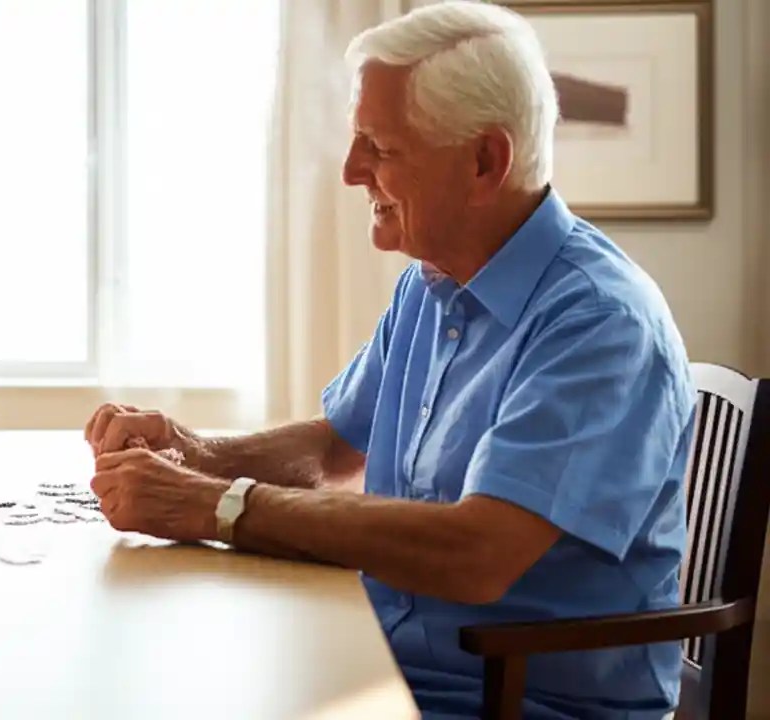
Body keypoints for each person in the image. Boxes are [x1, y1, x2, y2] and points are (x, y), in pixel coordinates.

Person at [85, 2, 694, 718]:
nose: (350, 172)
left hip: (514, 703)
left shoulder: (599, 321)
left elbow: (479, 554)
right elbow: (333, 447)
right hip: (388, 658)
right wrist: (194, 452)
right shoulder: (431, 282)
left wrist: (220, 507)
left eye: (379, 146)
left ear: (484, 161)